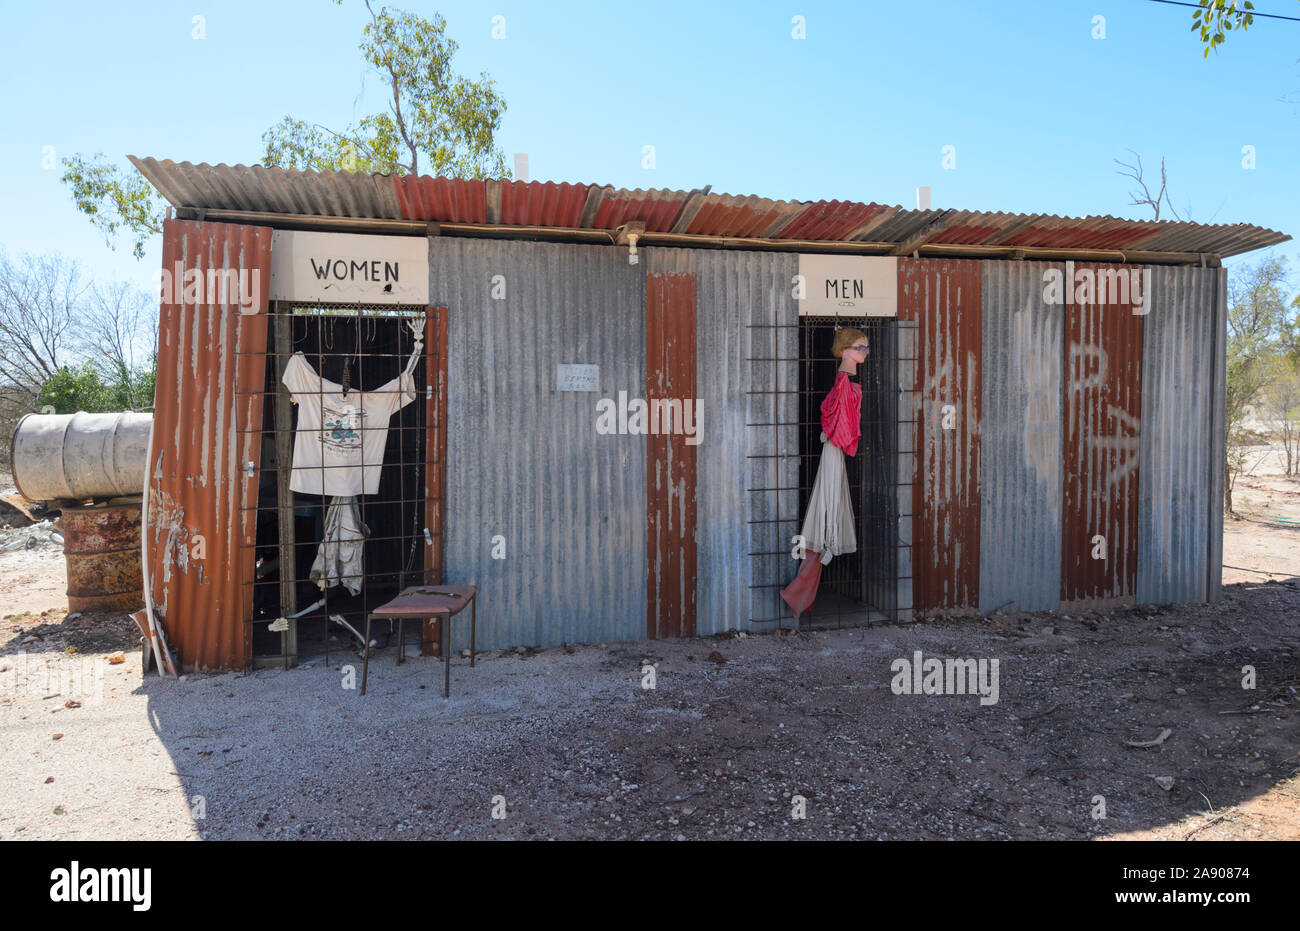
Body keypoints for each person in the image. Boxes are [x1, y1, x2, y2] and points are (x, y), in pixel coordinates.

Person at [779, 327, 869, 618]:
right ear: (845, 350)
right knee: (825, 522)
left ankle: (801, 595)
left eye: (866, 347)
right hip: (833, 453)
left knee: (824, 522)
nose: (864, 353)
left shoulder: (844, 383)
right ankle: (799, 594)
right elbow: (842, 432)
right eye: (859, 347)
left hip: (834, 453)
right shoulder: (843, 385)